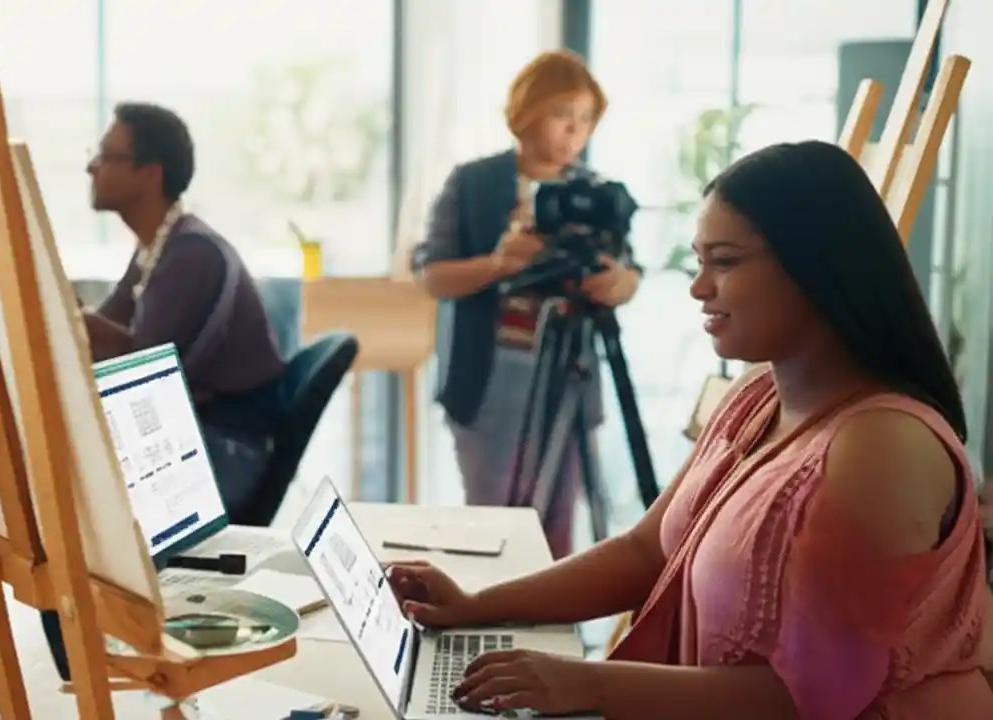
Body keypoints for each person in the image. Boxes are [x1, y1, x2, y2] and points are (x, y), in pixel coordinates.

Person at [389, 141, 993, 718]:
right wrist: (473, 607)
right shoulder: (759, 393)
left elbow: (804, 703)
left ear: (818, 266)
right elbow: (645, 551)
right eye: (700, 262)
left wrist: (581, 681)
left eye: (724, 262)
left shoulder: (879, 446)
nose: (699, 288)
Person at [0, 102, 286, 520]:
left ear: (151, 174)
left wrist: (64, 316)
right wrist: (57, 308)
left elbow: (142, 372)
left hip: (217, 452)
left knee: (2, 462)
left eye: (107, 156)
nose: (92, 168)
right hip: (188, 441)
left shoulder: (192, 256)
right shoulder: (158, 248)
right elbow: (104, 331)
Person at [415, 50, 641, 558]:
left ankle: (550, 624)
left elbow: (628, 272)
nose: (574, 132)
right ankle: (485, 621)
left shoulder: (594, 193)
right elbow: (432, 275)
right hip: (489, 378)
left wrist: (618, 282)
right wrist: (498, 264)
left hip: (571, 374)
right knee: (492, 524)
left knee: (558, 525)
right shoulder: (473, 182)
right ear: (527, 112)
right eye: (563, 115)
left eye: (585, 120)